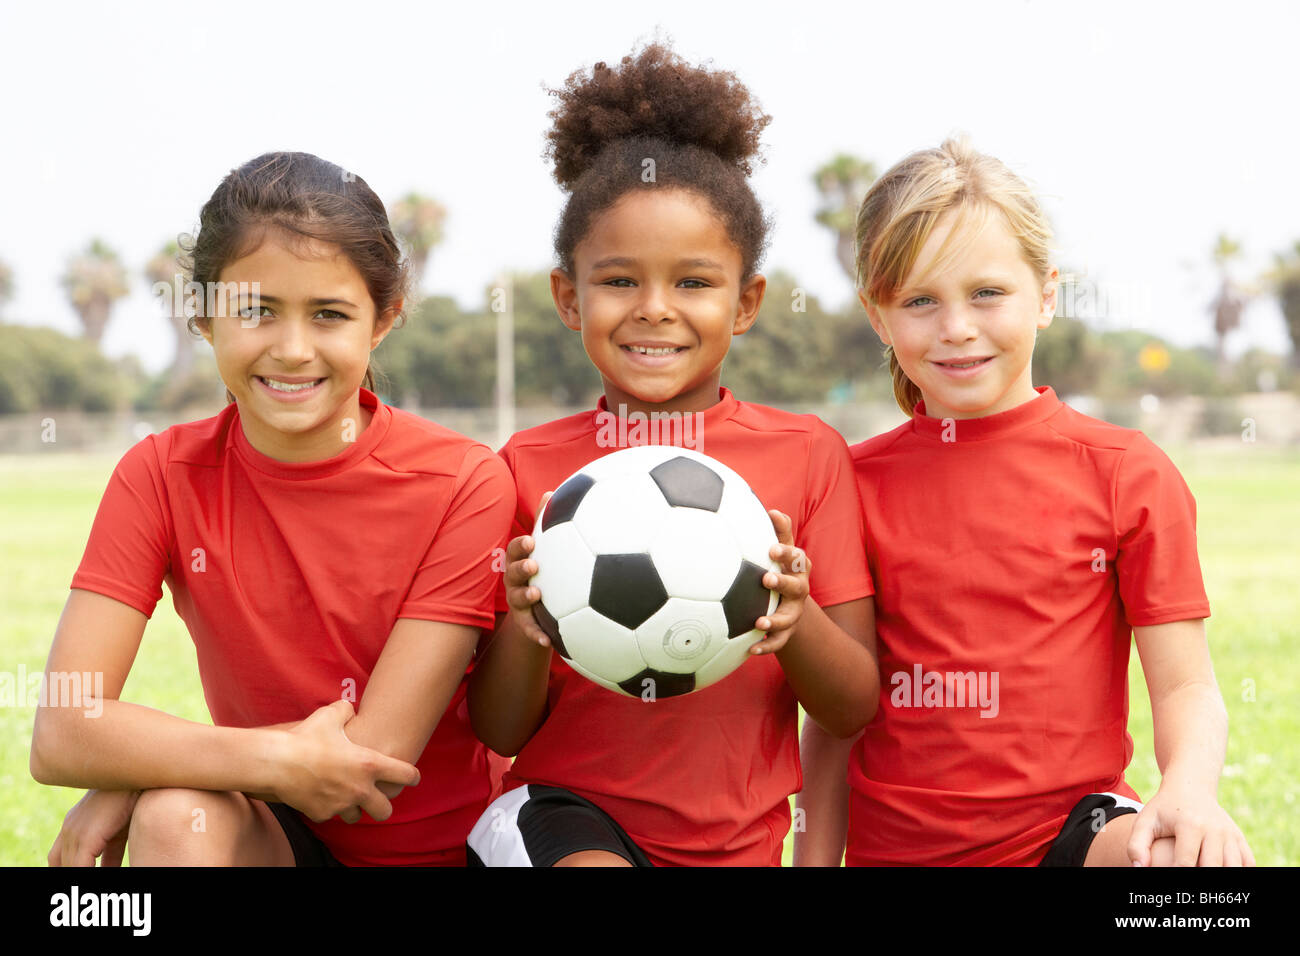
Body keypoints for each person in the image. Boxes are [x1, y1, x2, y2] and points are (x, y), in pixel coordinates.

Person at [31, 151, 515, 867]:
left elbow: (366, 765)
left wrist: (144, 766)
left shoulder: (464, 480)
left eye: (328, 314)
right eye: (255, 311)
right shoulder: (161, 473)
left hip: (440, 852)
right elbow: (64, 730)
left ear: (382, 320)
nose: (292, 350)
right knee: (176, 818)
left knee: (167, 797)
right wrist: (171, 775)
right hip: (281, 838)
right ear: (202, 317)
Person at [464, 43, 879, 867]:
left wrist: (795, 622)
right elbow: (499, 727)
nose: (655, 310)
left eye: (694, 283)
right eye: (619, 282)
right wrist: (522, 623)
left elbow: (851, 707)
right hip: (564, 820)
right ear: (567, 297)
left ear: (748, 300)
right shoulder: (526, 467)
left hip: (739, 841)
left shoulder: (807, 455)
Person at [799, 138, 1254, 867]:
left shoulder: (1125, 472)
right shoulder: (845, 484)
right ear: (878, 318)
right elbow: (835, 717)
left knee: (1190, 868)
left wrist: (1190, 791)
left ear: (1045, 295)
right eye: (919, 300)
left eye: (987, 293)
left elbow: (1187, 686)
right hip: (900, 852)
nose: (956, 327)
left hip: (1070, 837)